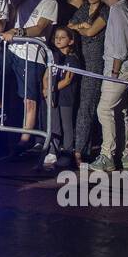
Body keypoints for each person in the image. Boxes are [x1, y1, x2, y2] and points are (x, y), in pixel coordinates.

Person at [1, 0, 57, 153]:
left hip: (32, 54)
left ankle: (24, 141)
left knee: (29, 100)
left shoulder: (50, 2)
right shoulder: (23, 1)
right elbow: (9, 23)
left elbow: (40, 28)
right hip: (13, 50)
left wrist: (18, 32)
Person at [91, 0, 128, 171]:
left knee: (104, 109)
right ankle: (124, 155)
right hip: (121, 68)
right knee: (120, 111)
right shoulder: (121, 9)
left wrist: (114, 72)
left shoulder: (118, 10)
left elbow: (120, 46)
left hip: (117, 69)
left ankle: (107, 155)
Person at [68, 0, 108, 167]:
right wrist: (79, 26)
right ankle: (80, 147)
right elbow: (69, 26)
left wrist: (82, 28)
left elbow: (92, 31)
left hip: (94, 63)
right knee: (80, 104)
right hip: (79, 60)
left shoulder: (106, 11)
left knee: (87, 106)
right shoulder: (84, 8)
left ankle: (79, 151)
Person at [43, 26, 84, 169]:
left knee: (67, 126)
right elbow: (46, 75)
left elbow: (67, 80)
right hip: (52, 95)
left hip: (66, 97)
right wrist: (46, 89)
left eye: (62, 37)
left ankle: (67, 152)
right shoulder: (53, 56)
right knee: (54, 124)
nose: (58, 39)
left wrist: (51, 89)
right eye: (56, 37)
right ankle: (53, 151)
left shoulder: (72, 59)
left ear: (71, 41)